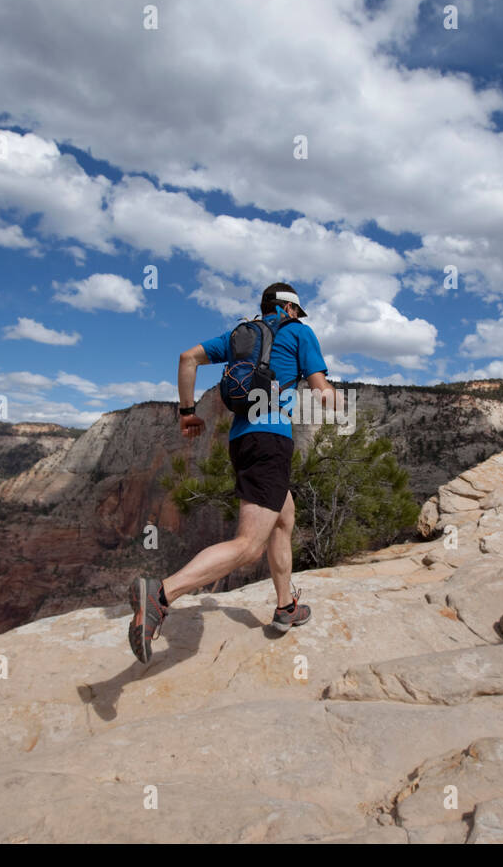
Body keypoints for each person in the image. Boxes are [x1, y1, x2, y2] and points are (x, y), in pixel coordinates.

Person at [127, 282, 343, 663]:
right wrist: (339, 402)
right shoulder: (299, 332)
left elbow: (186, 358)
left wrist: (188, 412)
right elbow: (321, 391)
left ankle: (285, 606)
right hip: (271, 441)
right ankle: (161, 595)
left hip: (242, 440)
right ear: (291, 309)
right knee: (248, 545)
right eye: (298, 311)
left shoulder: (240, 335)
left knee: (282, 521)